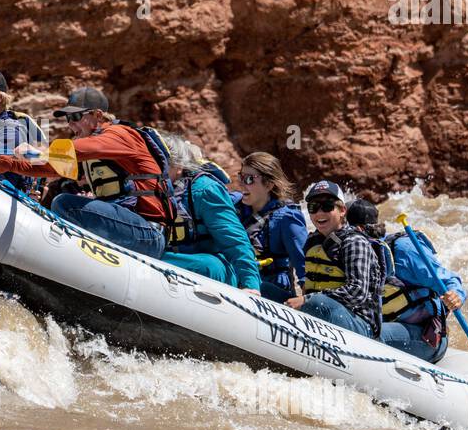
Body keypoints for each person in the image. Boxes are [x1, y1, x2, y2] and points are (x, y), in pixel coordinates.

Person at [0, 87, 169, 258]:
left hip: (149, 235)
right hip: (126, 226)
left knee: (65, 203)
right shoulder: (92, 146)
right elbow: (43, 169)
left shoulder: (120, 135)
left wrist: (41, 152)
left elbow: (77, 149)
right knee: (60, 200)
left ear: (98, 115)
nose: (70, 124)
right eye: (68, 118)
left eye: (76, 117)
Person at [347, 199, 466, 364]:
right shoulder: (353, 255)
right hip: (392, 327)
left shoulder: (404, 250)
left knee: (366, 333)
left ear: (359, 230)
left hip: (425, 336)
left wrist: (456, 296)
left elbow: (450, 280)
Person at [160, 136, 261, 292]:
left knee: (209, 266)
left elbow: (235, 240)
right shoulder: (147, 187)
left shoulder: (205, 189)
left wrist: (251, 284)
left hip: (207, 264)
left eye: (161, 163)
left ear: (178, 166)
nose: (153, 168)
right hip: (168, 260)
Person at [287, 181, 384, 338]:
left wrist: (307, 301)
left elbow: (357, 291)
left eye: (327, 206)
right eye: (313, 208)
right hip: (317, 312)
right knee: (267, 288)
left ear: (342, 210)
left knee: (317, 304)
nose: (319, 213)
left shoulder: (354, 242)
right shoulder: (312, 241)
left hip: (358, 324)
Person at [232, 152, 308, 304]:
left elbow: (304, 269)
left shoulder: (287, 218)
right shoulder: (233, 205)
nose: (241, 183)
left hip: (271, 293)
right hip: (237, 282)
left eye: (249, 179)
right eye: (241, 177)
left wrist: (307, 301)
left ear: (269, 185)